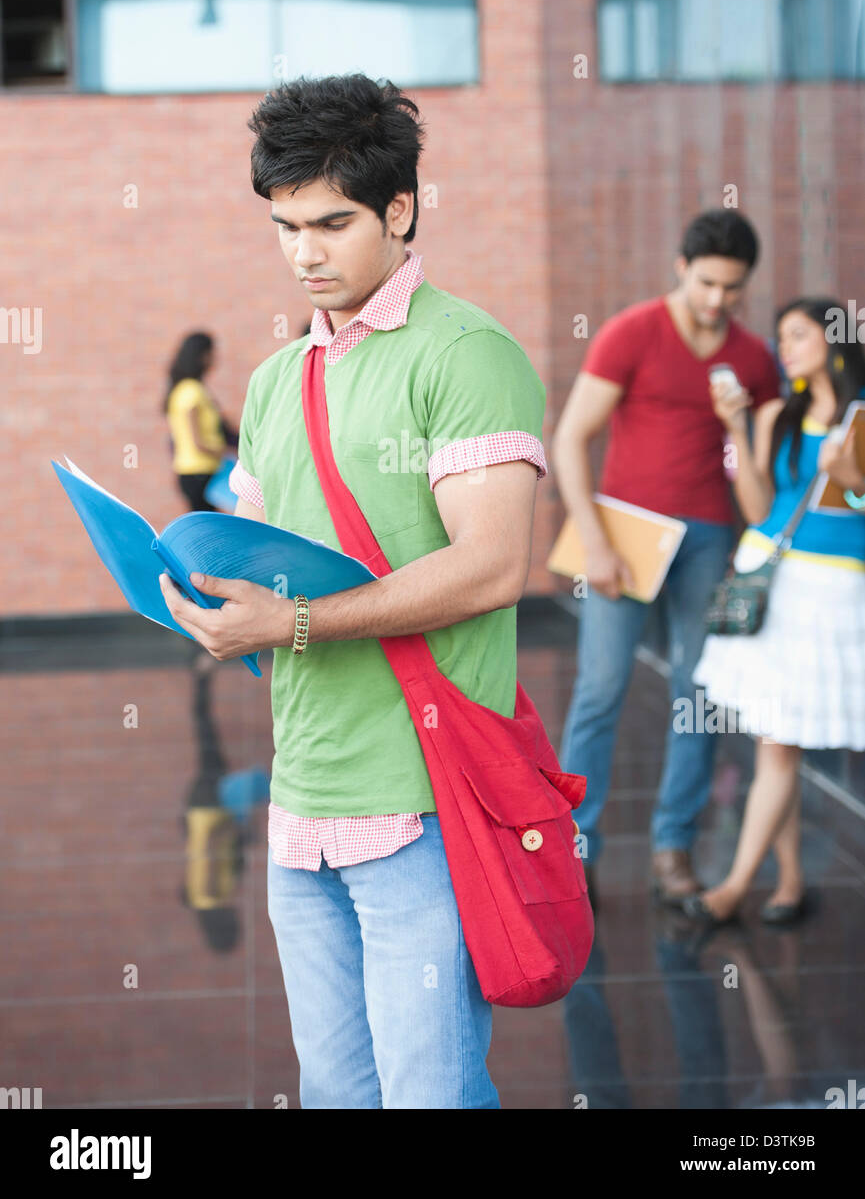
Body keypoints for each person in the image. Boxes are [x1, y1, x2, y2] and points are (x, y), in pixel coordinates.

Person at [157, 74, 549, 1109]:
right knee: (335, 1093)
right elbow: (247, 556)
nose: (305, 252)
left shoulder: (465, 353)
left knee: (430, 1092)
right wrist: (200, 598)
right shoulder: (275, 380)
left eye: (332, 223)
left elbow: (492, 564)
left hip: (423, 796)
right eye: (285, 226)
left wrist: (292, 621)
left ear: (400, 210)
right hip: (301, 797)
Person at [552, 210, 781, 908]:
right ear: (681, 267)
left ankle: (672, 848)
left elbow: (760, 476)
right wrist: (594, 541)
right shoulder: (631, 331)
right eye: (706, 282)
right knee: (600, 689)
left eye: (732, 287)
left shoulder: (752, 358)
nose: (717, 299)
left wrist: (738, 423)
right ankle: (574, 850)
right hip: (625, 532)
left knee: (698, 696)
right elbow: (569, 438)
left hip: (708, 537)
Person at [683, 298, 865, 927]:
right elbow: (759, 508)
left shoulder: (860, 420)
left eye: (798, 335)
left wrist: (854, 478)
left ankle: (734, 888)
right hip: (767, 582)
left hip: (831, 590)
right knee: (773, 737)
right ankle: (787, 879)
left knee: (779, 743)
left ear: (834, 340)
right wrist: (736, 429)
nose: (784, 348)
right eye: (781, 336)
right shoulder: (773, 415)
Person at [162, 331, 237, 512]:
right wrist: (227, 454)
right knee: (210, 525)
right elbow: (198, 442)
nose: (214, 359)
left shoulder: (184, 389)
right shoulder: (192, 391)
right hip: (200, 472)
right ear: (202, 356)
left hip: (195, 472)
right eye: (211, 354)